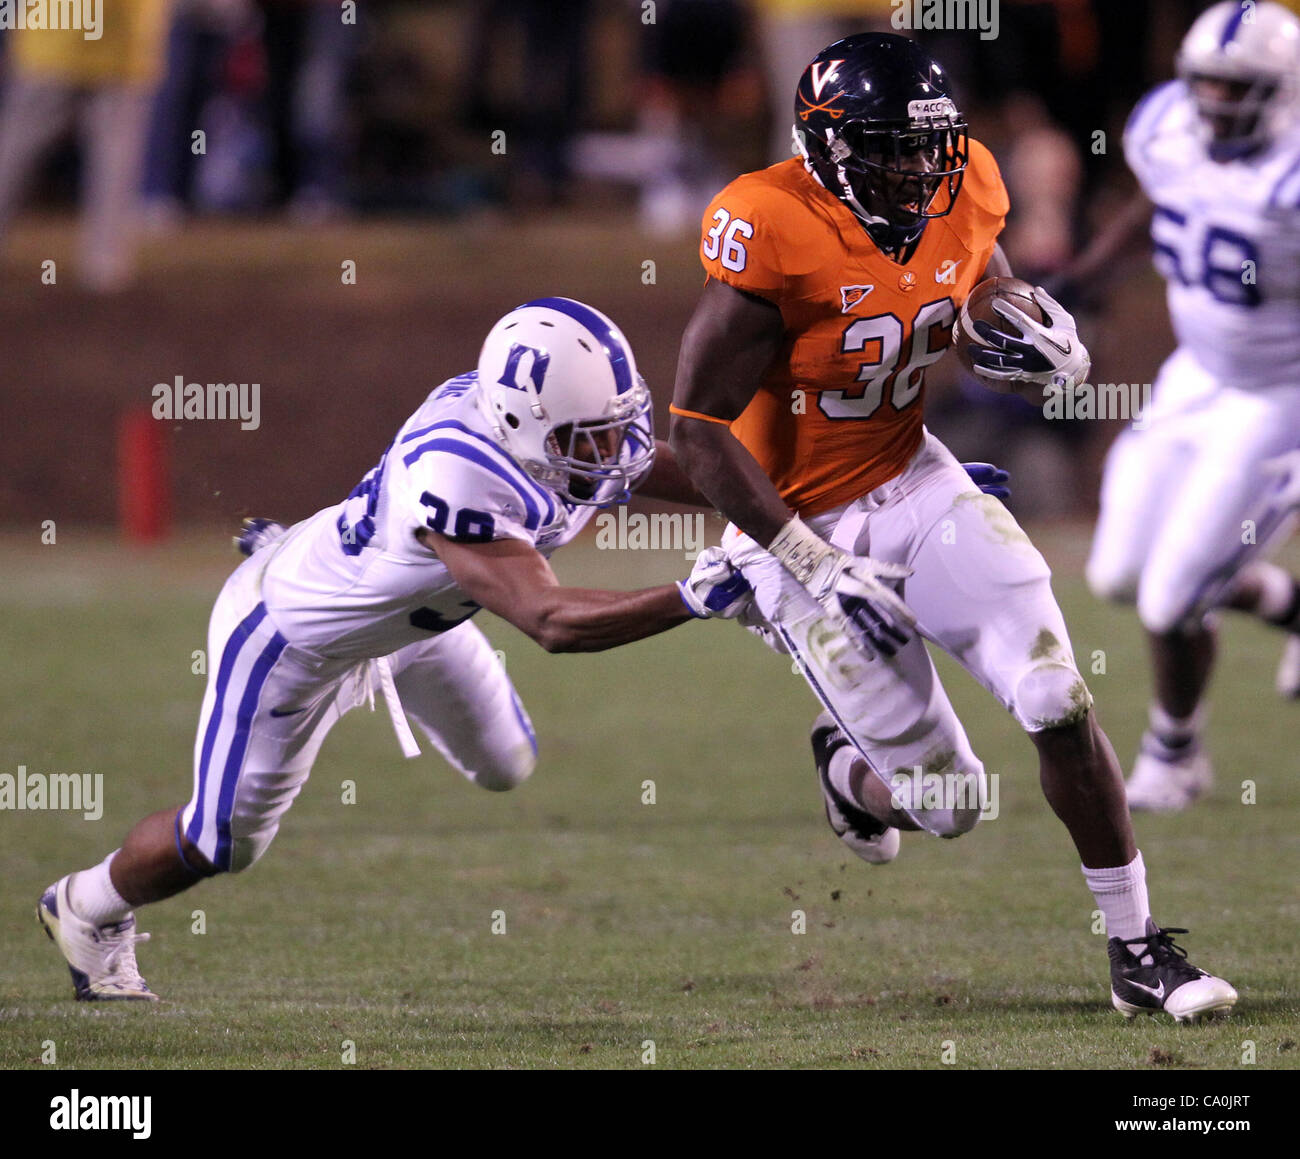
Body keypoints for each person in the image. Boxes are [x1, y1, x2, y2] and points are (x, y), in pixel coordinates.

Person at [668, 32, 1237, 1022]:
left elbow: (973, 289)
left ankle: (1138, 951)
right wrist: (802, 556)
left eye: (931, 147)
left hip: (913, 478)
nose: (921, 170)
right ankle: (850, 769)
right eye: (894, 149)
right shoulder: (771, 224)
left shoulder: (964, 179)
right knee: (951, 807)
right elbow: (697, 429)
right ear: (831, 146)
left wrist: (1018, 323)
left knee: (1057, 696)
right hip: (794, 525)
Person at [36, 297, 755, 1001]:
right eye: (588, 437)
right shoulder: (461, 470)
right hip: (289, 641)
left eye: (614, 426)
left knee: (507, 763)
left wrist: (784, 502)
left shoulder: (537, 432)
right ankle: (85, 905)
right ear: (518, 422)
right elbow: (549, 619)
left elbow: (648, 470)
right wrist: (697, 594)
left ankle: (355, 609)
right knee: (223, 841)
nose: (610, 452)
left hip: (418, 621)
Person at [1071, 0, 1300, 812]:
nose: (1215, 103)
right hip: (1195, 374)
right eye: (1205, 84)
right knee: (1120, 572)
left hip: (1281, 398)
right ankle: (1290, 603)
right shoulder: (1166, 127)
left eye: (1236, 89)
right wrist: (1083, 275)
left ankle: (1175, 751)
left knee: (1173, 597)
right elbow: (1156, 206)